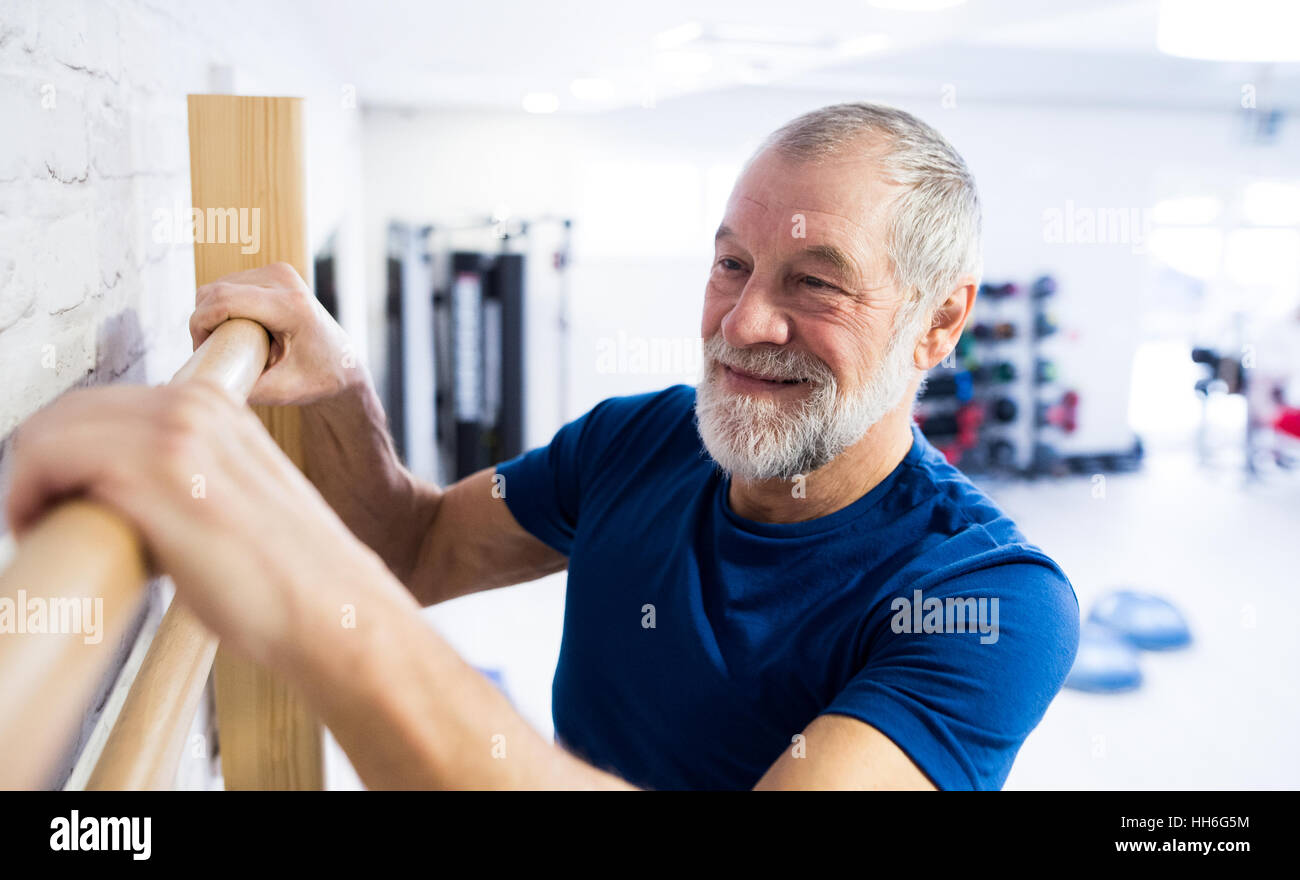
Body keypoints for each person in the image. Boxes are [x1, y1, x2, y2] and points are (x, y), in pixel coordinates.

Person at [6, 102, 1078, 790]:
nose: (745, 323)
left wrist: (288, 566)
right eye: (730, 265)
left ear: (938, 323)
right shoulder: (642, 441)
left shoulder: (992, 603)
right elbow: (413, 551)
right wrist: (337, 384)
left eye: (814, 284)